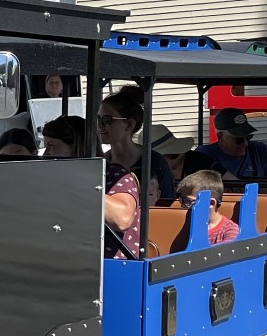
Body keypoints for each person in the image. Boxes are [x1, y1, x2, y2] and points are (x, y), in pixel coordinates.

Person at [42, 114, 140, 259]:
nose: (46, 154)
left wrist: (76, 181)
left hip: (112, 266)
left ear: (76, 145)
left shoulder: (114, 174)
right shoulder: (55, 181)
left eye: (51, 146)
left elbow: (122, 219)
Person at [98, 85, 174, 206]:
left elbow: (167, 205)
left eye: (107, 120)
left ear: (129, 124)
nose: (100, 125)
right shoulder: (102, 162)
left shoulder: (155, 162)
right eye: (98, 119)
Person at [195, 107, 267, 181]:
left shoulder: (259, 150)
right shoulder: (205, 154)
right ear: (220, 136)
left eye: (248, 137)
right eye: (239, 139)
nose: (246, 144)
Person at [176, 169, 240, 245]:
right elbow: (176, 251)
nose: (183, 206)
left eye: (188, 201)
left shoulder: (230, 230)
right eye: (182, 200)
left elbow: (225, 254)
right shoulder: (188, 224)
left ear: (211, 203)